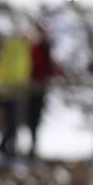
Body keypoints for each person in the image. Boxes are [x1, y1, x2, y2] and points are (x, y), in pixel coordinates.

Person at [0, 32, 32, 158]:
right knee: (12, 121)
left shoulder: (9, 52)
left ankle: (6, 146)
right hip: (14, 92)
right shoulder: (20, 53)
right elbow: (21, 72)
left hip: (8, 91)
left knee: (11, 121)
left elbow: (0, 69)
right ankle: (7, 146)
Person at [26, 24, 61, 158]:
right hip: (32, 86)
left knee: (35, 118)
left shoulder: (45, 48)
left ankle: (33, 146)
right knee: (30, 117)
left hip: (40, 87)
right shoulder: (35, 48)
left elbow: (49, 66)